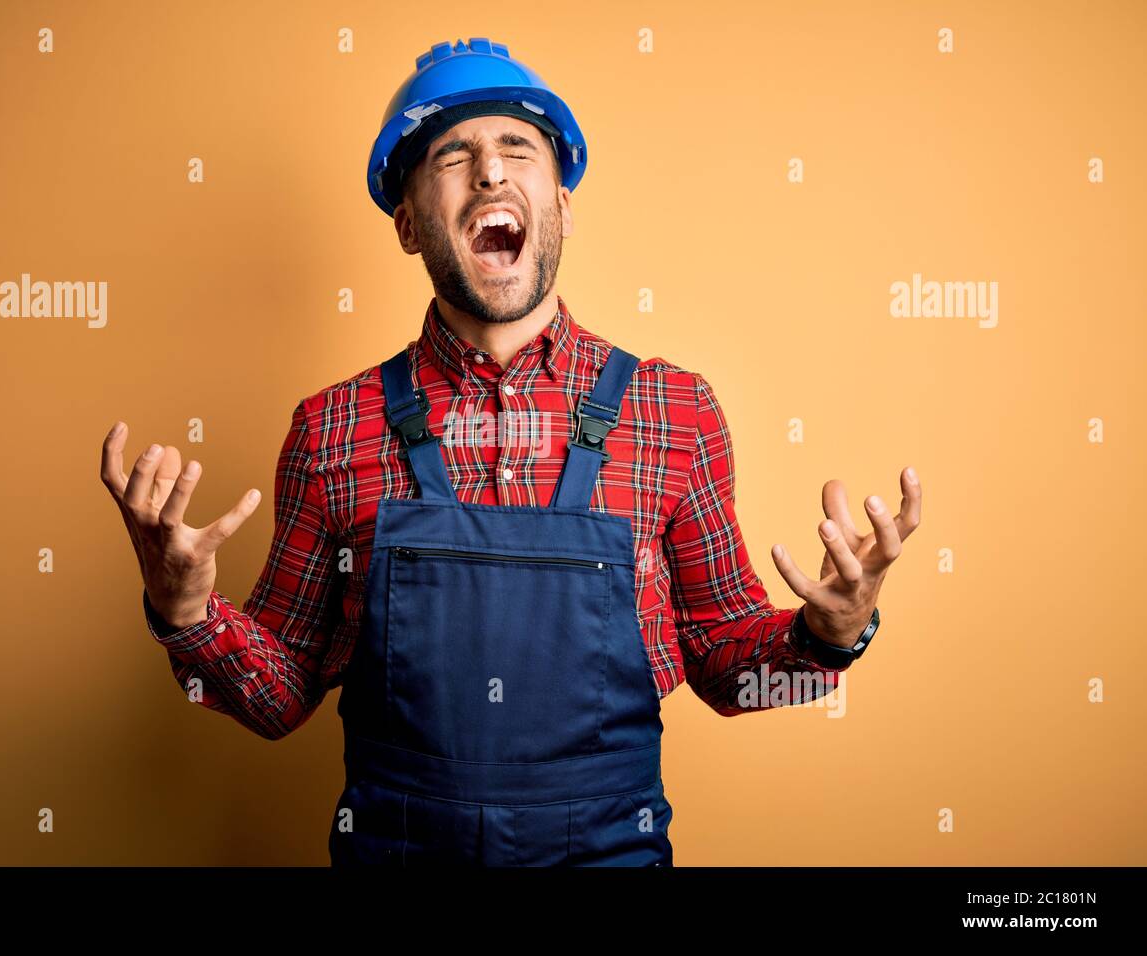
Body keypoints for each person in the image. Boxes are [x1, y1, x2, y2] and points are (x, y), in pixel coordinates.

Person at [99, 37, 921, 866]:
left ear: (561, 205)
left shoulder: (675, 412)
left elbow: (726, 669)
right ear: (410, 223)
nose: (489, 172)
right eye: (454, 155)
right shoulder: (331, 429)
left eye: (516, 149)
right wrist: (184, 612)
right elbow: (277, 699)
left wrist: (829, 636)